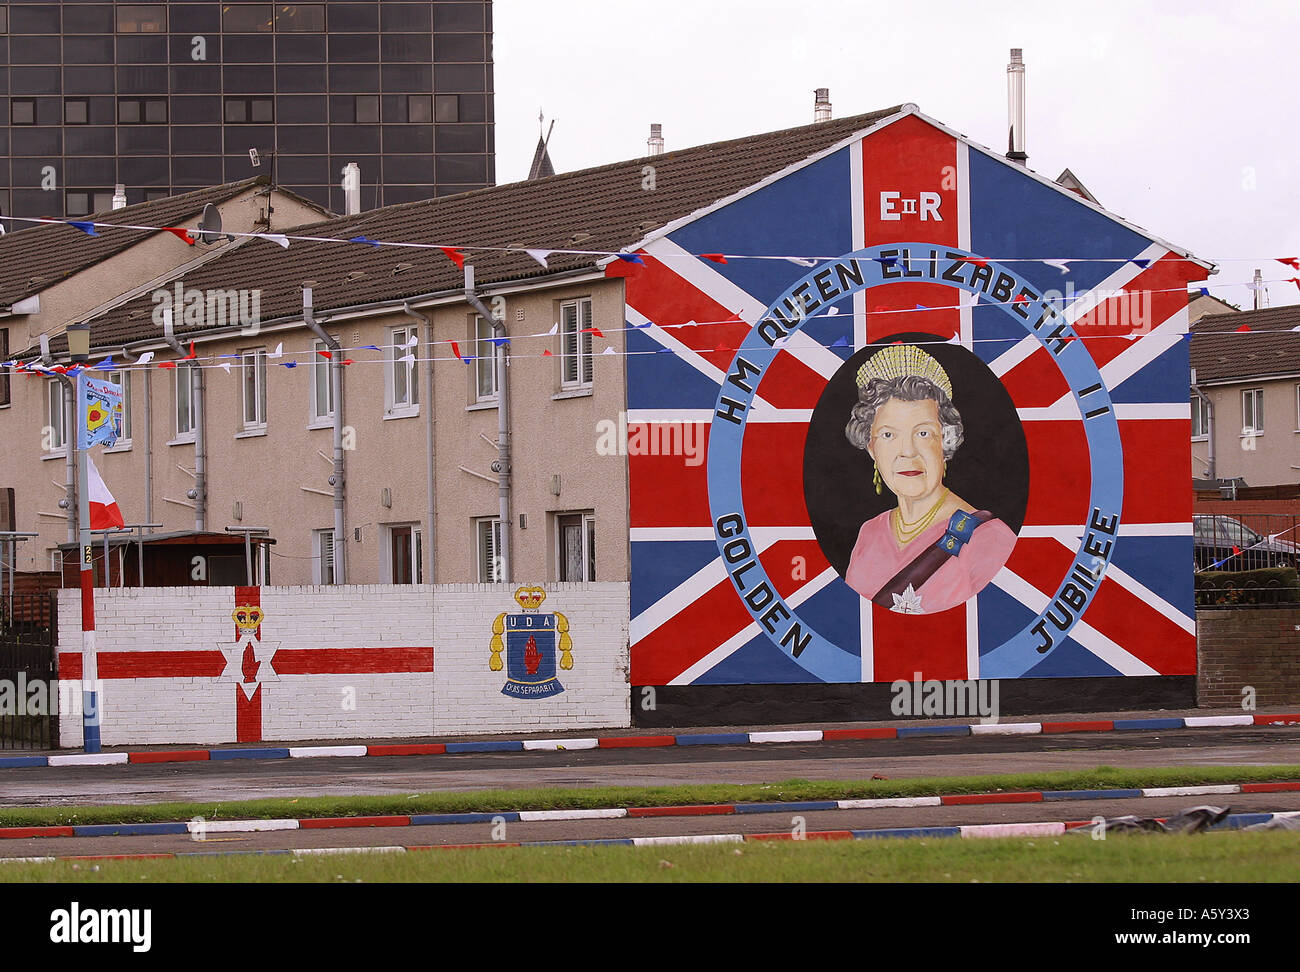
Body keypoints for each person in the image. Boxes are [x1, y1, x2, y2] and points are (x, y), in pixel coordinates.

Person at [843, 345, 1017, 614]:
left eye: (923, 433)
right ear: (871, 448)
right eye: (888, 435)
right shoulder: (869, 533)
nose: (908, 452)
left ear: (946, 442)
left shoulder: (990, 540)